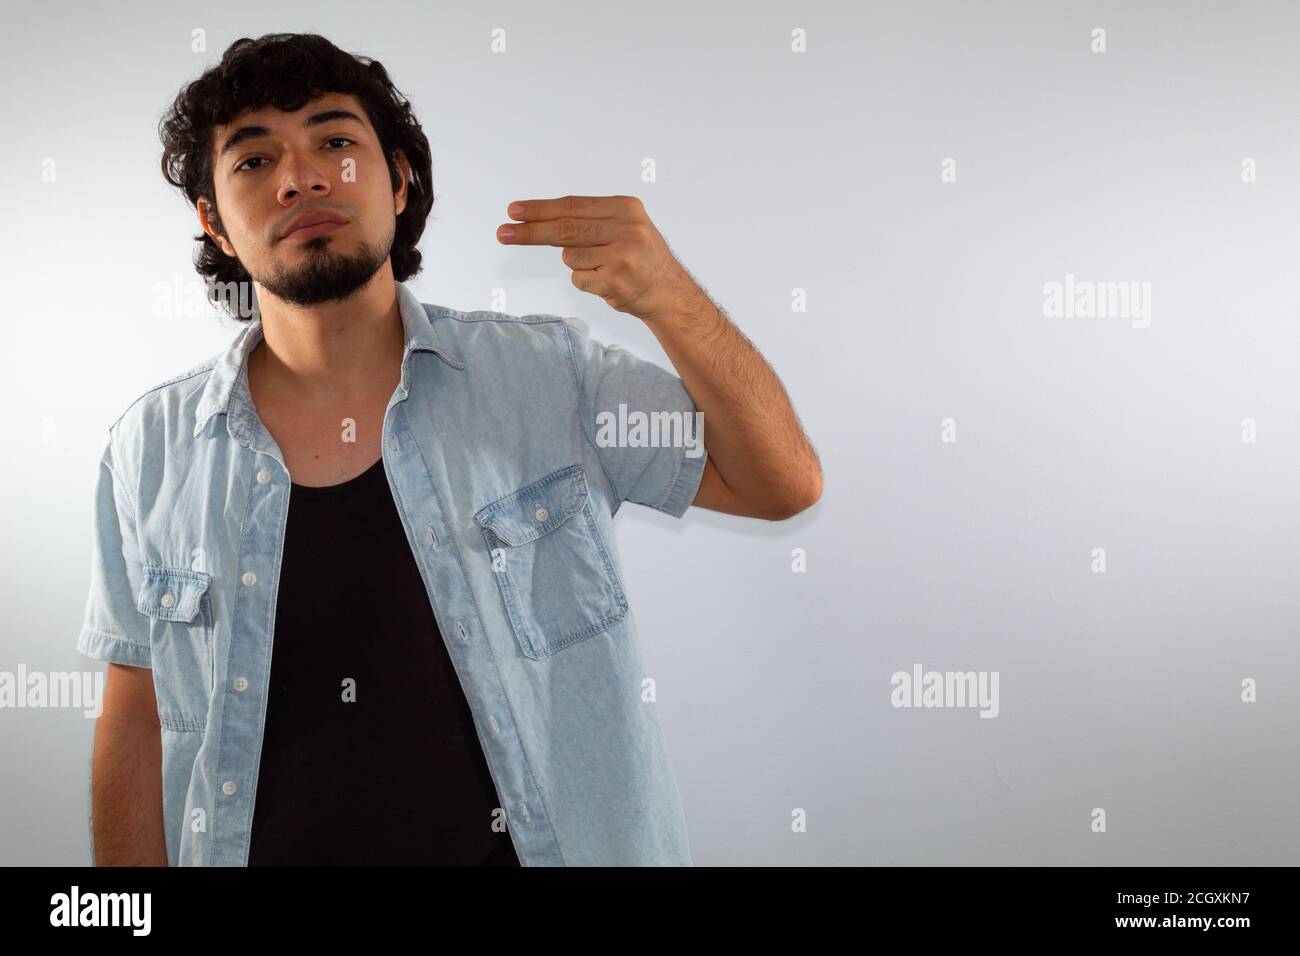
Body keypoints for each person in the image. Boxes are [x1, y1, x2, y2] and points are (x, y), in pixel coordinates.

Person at [78, 32, 822, 867]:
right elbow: (136, 711)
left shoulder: (547, 378)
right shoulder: (149, 449)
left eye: (335, 140)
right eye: (254, 161)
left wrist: (668, 299)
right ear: (214, 222)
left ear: (398, 181)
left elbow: (781, 483)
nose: (302, 177)